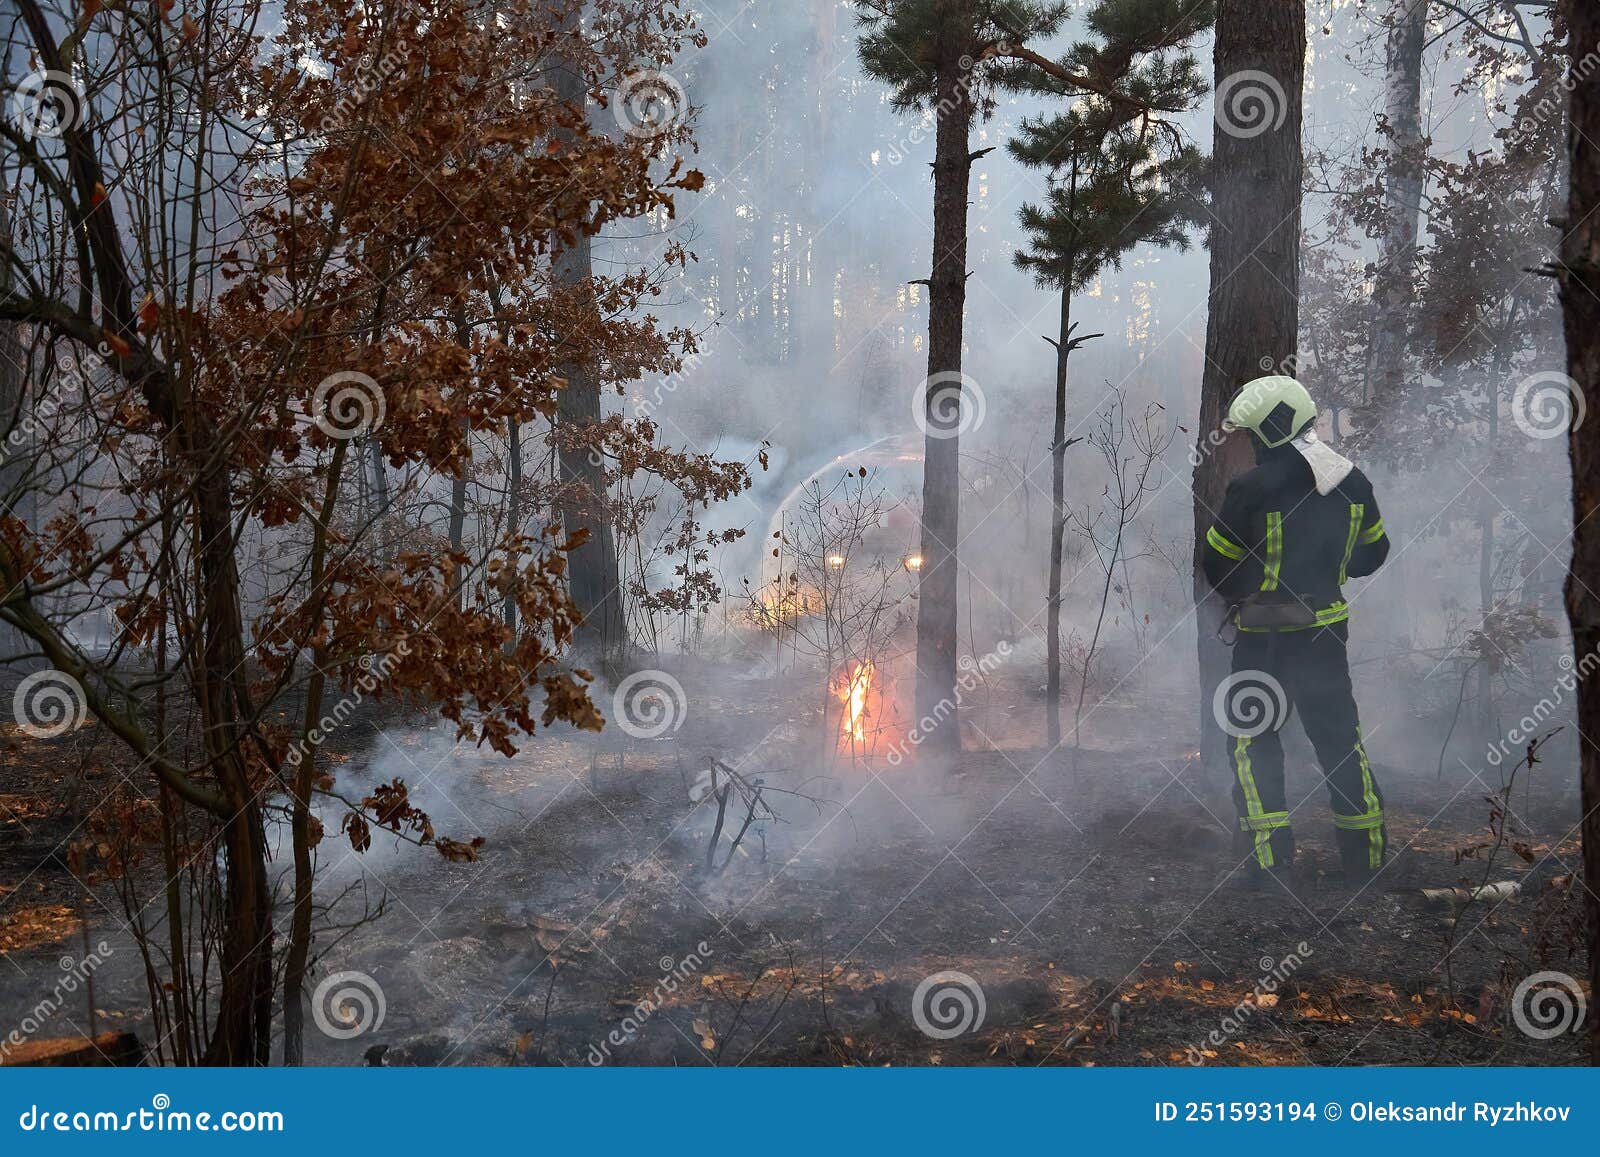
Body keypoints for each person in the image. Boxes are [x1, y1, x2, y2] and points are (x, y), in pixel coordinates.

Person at [1202, 376, 1391, 887]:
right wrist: (1329, 569)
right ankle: (1366, 860)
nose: (1252, 445)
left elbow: (1215, 563)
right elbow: (1374, 553)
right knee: (1339, 741)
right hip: (1326, 637)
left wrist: (1249, 592)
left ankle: (1270, 866)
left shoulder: (1250, 489)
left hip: (1263, 642)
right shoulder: (1353, 481)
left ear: (1269, 429)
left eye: (1253, 435)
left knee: (1252, 741)